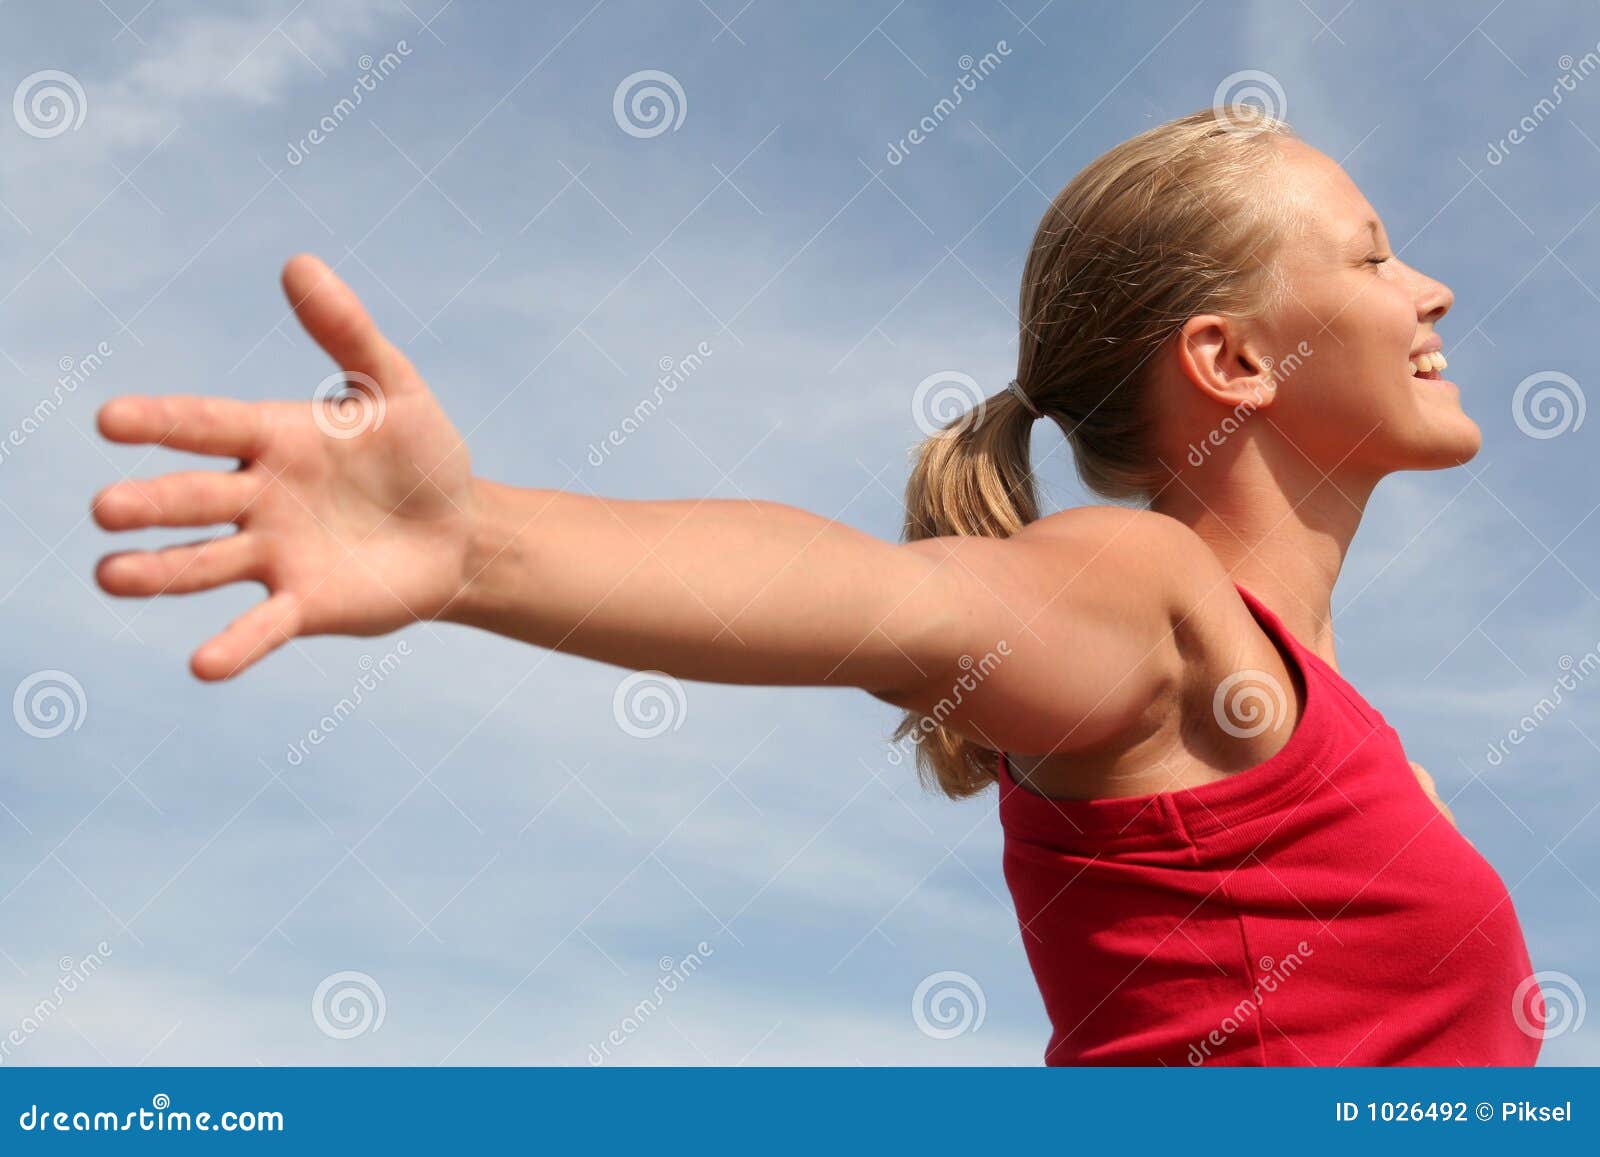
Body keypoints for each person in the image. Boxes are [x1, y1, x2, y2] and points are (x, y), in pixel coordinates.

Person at [89, 107, 1539, 1066]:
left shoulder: (1333, 720)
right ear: (1230, 365)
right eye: (1370, 256)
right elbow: (882, 603)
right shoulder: (1149, 592)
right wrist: (478, 543)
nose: (1431, 290)